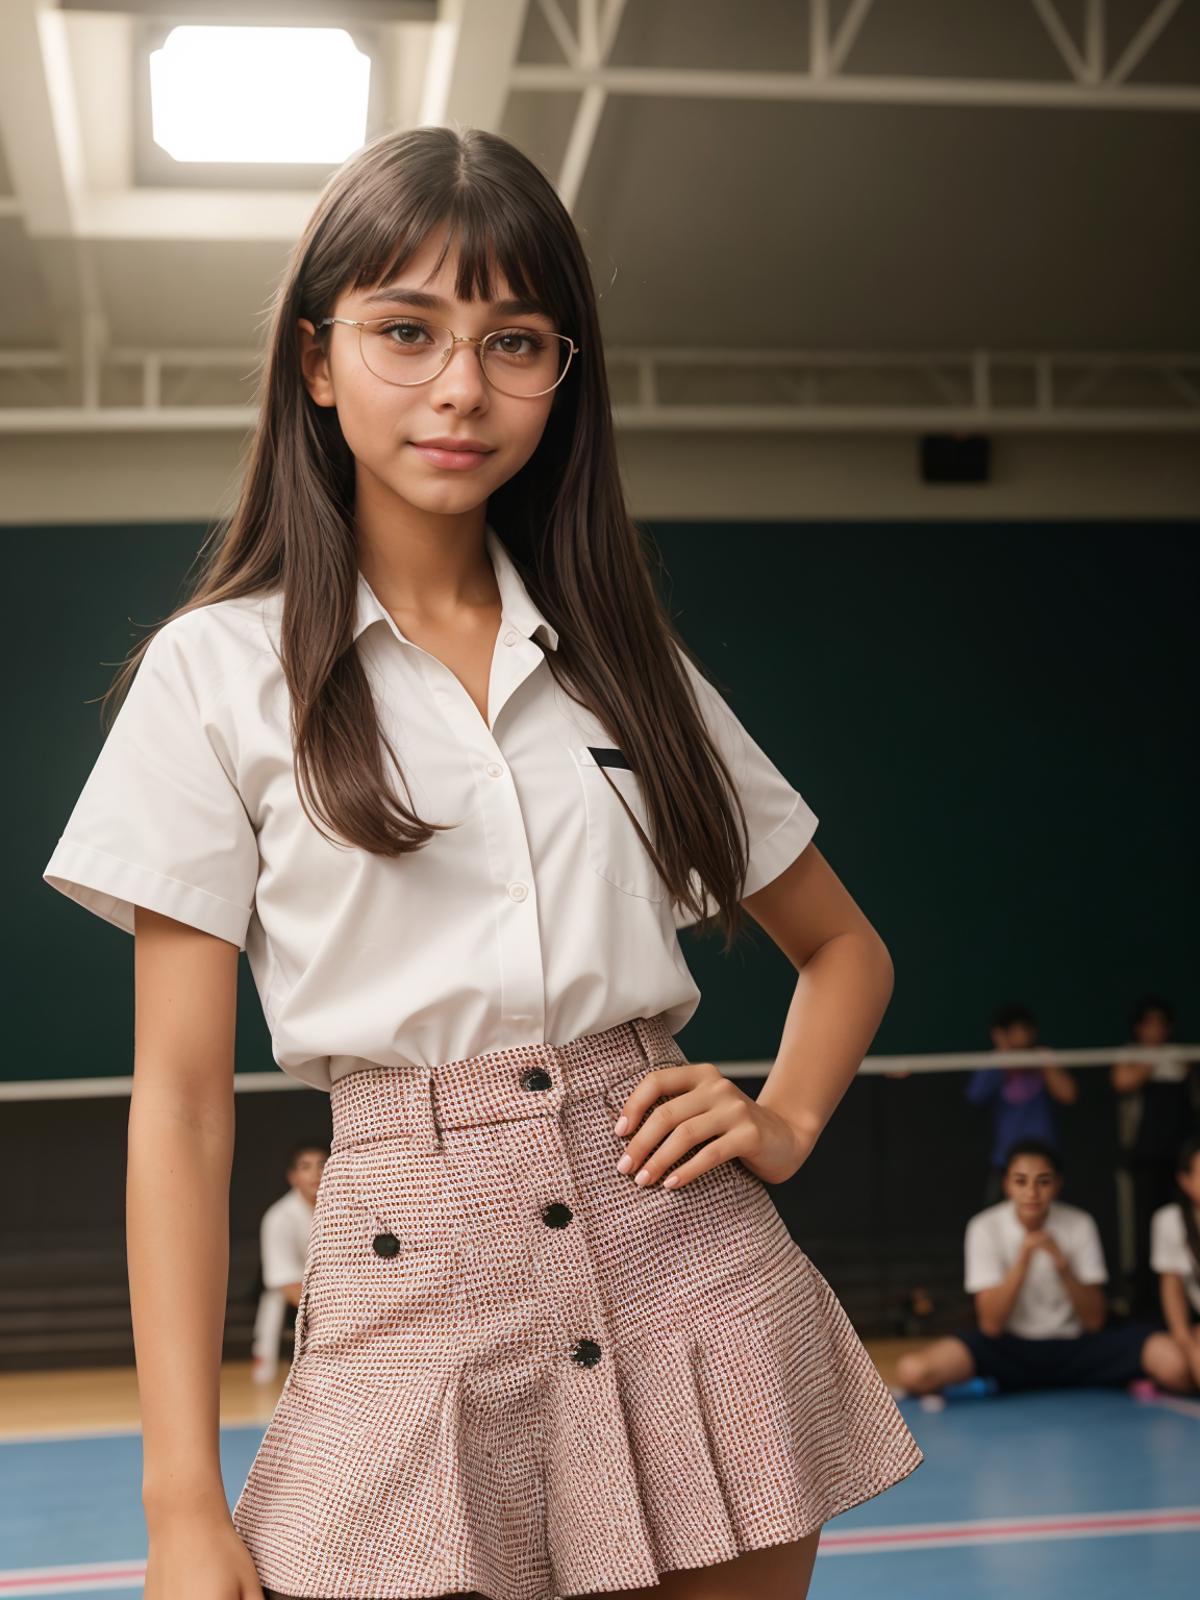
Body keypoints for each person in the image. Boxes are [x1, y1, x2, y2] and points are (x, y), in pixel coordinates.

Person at [41, 125, 921, 1600]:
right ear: (315, 361)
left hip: (692, 1264)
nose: (461, 386)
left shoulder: (628, 666)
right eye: (407, 330)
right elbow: (183, 1108)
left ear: (563, 379)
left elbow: (847, 949)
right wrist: (179, 1498)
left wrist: (785, 1115)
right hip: (409, 1281)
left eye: (515, 340)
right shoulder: (215, 675)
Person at [895, 1139, 1181, 1397]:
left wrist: (1062, 1264)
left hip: (1075, 1347)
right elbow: (991, 1325)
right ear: (1007, 1185)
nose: (1032, 1192)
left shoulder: (1079, 1224)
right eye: (1021, 1181)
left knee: (1175, 1366)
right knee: (914, 1372)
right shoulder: (984, 1227)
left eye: (1043, 1182)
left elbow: (1094, 1320)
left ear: (1057, 1185)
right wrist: (1023, 1259)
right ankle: (997, 1380)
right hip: (1009, 1349)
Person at [1112, 995, 1197, 1316]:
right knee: (1148, 1226)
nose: (1156, 1030)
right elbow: (1121, 1082)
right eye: (1149, 1023)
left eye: (1162, 1023)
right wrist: (1149, 1062)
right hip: (1146, 1158)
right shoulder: (1131, 1056)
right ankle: (1146, 1298)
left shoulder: (1182, 1058)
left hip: (1182, 1159)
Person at [965, 1003, 1077, 1203]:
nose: (1021, 1035)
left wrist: (1045, 1063)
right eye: (1013, 1031)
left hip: (1046, 1156)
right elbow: (975, 1097)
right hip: (1005, 1159)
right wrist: (1005, 1056)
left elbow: (1068, 1095)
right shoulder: (994, 1063)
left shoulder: (1044, 1058)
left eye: (1025, 1029)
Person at [250, 1140, 328, 1384]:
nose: (315, 1173)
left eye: (322, 1165)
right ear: (293, 1176)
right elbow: (286, 1283)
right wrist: (332, 1311)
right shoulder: (279, 1217)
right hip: (299, 1307)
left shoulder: (349, 1208)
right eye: (305, 1167)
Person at [1146, 1133, 1200, 1394]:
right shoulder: (1169, 1221)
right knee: (1174, 1367)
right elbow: (1172, 1288)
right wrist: (1187, 1344)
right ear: (1185, 1181)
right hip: (1194, 1327)